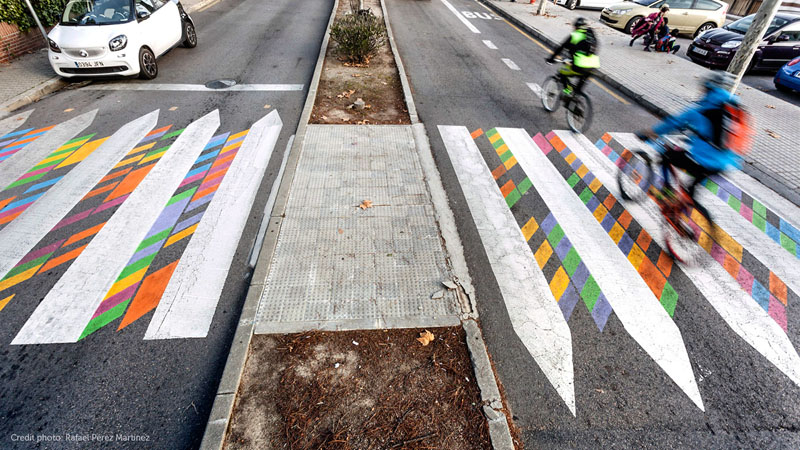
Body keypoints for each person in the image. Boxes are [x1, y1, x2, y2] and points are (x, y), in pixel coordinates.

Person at [636, 71, 751, 221]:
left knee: (666, 155)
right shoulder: (735, 108)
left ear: (708, 89)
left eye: (703, 88)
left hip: (704, 160)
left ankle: (667, 191)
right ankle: (685, 211)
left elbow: (673, 123)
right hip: (728, 162)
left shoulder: (702, 109)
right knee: (689, 192)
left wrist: (649, 132)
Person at [545, 17, 600, 97]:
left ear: (575, 26)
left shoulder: (574, 35)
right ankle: (575, 101)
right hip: (593, 67)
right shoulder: (591, 35)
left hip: (579, 66)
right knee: (578, 90)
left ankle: (568, 91)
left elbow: (560, 48)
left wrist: (551, 59)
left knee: (562, 72)